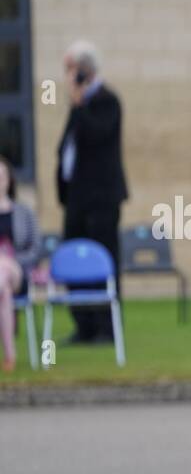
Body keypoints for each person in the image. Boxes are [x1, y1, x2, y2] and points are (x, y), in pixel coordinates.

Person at [55, 40, 128, 344]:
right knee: (74, 261)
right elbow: (68, 147)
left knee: (102, 262)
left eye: (71, 70)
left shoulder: (107, 101)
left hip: (101, 200)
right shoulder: (79, 104)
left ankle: (105, 329)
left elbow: (95, 135)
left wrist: (79, 103)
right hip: (75, 200)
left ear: (85, 70)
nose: (68, 76)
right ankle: (83, 326)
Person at [0, 155, 40, 372]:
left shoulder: (24, 212)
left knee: (3, 271)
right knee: (2, 291)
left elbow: (36, 248)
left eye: (1, 177)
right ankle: (9, 356)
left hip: (17, 271)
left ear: (9, 180)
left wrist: (11, 260)